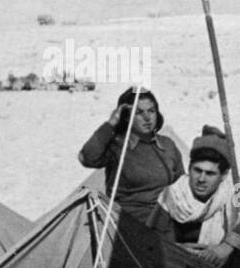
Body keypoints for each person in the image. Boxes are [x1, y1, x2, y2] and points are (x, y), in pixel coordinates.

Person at [152, 125, 240, 268]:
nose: (201, 179)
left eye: (210, 173)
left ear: (223, 175)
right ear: (189, 167)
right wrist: (178, 249)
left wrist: (227, 245)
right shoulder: (174, 194)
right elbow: (152, 236)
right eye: (197, 170)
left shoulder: (232, 190)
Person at [78, 87, 185, 225]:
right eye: (138, 113)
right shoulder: (118, 145)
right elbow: (86, 158)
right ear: (127, 117)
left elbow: (181, 186)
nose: (147, 118)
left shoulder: (167, 145)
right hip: (129, 225)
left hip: (167, 220)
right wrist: (111, 123)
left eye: (151, 111)